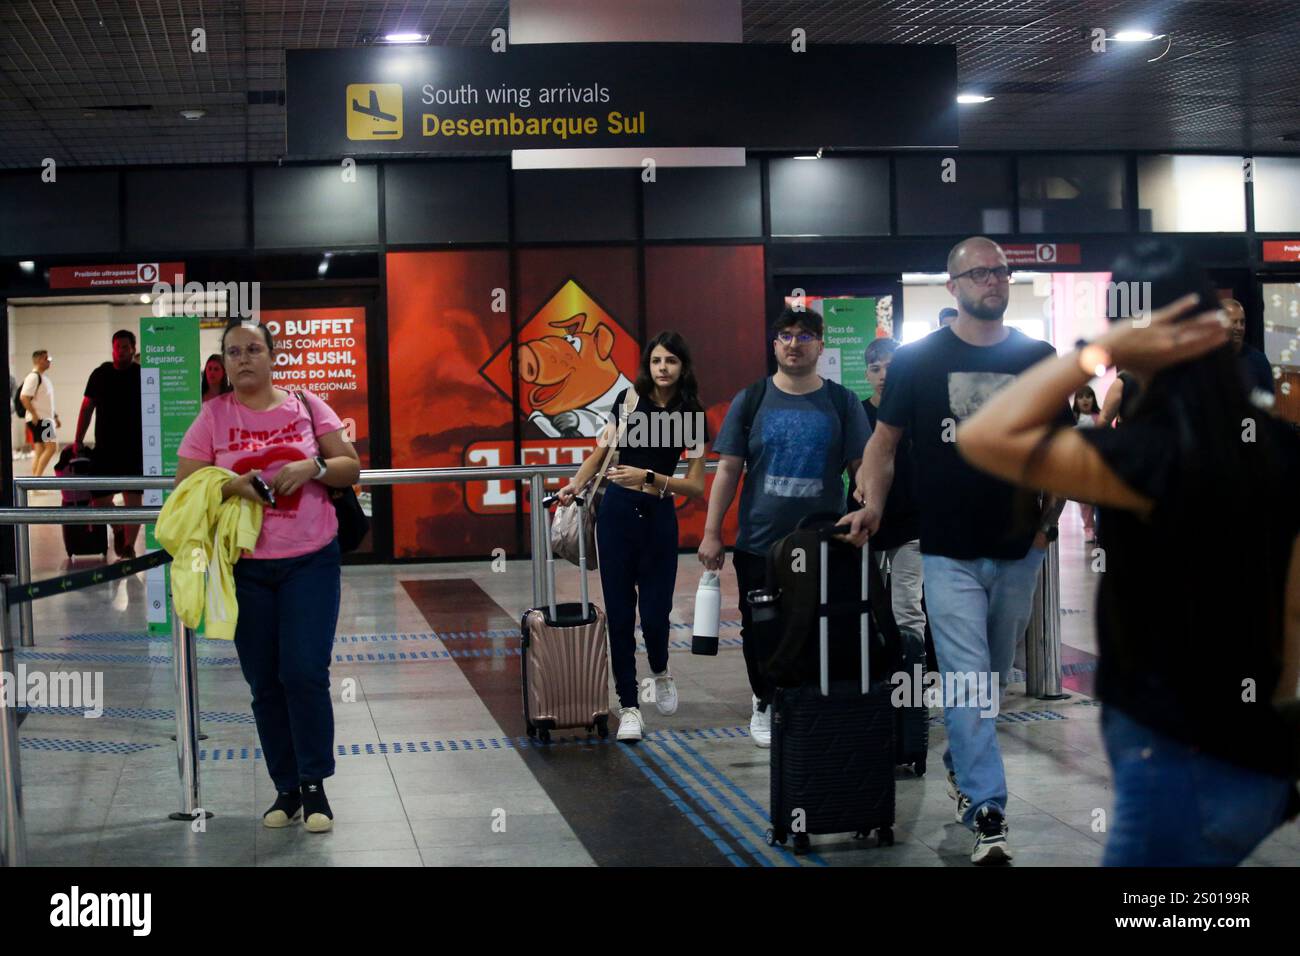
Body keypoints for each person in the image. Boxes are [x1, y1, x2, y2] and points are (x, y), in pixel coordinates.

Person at [955, 241, 1300, 866]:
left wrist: (1096, 353)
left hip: (1169, 752)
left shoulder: (1143, 459)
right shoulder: (1281, 448)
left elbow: (986, 435)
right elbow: (1295, 610)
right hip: (1257, 761)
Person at [840, 236, 1070, 865]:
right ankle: (988, 810)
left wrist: (1047, 528)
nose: (992, 281)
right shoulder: (918, 362)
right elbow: (882, 447)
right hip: (946, 553)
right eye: (978, 274)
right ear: (953, 287)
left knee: (990, 680)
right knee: (969, 681)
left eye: (1000, 272)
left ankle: (962, 764)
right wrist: (875, 506)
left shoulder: (1040, 358)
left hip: (1019, 550)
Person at [175, 321, 360, 833]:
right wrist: (233, 485)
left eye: (253, 349)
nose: (243, 359)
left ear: (272, 356)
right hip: (245, 569)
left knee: (303, 672)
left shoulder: (306, 404)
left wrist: (313, 468)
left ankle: (314, 785)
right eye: (233, 352)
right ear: (224, 363)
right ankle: (285, 789)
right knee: (264, 681)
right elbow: (187, 485)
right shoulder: (212, 417)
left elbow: (352, 467)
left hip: (311, 559)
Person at [699, 307, 870, 748]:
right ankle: (766, 700)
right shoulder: (752, 398)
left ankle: (810, 699)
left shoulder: (841, 401)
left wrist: (871, 507)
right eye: (786, 336)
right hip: (759, 543)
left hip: (823, 542)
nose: (795, 343)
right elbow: (727, 470)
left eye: (805, 336)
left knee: (817, 624)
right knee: (762, 627)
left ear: (820, 344)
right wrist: (713, 532)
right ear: (775, 344)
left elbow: (861, 467)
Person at [556, 332, 709, 743]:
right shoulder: (628, 403)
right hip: (616, 514)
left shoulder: (690, 413)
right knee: (620, 617)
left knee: (656, 615)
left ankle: (659, 669)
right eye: (657, 360)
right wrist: (575, 485)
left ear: (683, 368)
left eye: (671, 361)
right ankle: (628, 706)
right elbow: (598, 452)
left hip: (658, 514)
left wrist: (649, 477)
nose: (663, 368)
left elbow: (695, 485)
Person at [851, 337, 925, 640]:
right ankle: (875, 674)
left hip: (911, 522)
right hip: (865, 521)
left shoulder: (920, 412)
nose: (883, 375)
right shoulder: (857, 412)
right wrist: (862, 486)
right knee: (866, 602)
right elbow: (855, 464)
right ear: (867, 374)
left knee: (907, 605)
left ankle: (912, 675)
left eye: (891, 367)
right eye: (875, 368)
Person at [75, 330, 143, 559]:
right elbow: (87, 408)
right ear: (112, 348)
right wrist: (78, 439)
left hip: (134, 447)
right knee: (100, 499)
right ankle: (117, 527)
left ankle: (129, 547)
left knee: (133, 497)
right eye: (118, 346)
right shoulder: (100, 374)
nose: (121, 351)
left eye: (126, 347)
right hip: (105, 446)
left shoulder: (141, 374)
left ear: (133, 349)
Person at [1223, 298, 1276, 400]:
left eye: (1242, 322)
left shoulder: (1258, 360)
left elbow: (1268, 403)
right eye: (1234, 322)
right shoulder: (1206, 359)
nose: (1239, 327)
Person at [20, 350, 60, 477]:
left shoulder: (44, 378)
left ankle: (34, 484)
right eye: (46, 358)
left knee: (40, 450)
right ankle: (36, 480)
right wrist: (35, 414)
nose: (49, 361)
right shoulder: (33, 377)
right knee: (52, 448)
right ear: (38, 360)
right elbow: (24, 397)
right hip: (42, 420)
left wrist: (55, 416)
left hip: (45, 418)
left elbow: (46, 402)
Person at [1071, 386, 1101, 542]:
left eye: (1088, 396)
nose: (1085, 400)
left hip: (1098, 465)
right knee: (1084, 500)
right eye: (1081, 396)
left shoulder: (1100, 418)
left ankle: (1099, 527)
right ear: (1076, 400)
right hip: (1079, 465)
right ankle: (1088, 528)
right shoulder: (1072, 419)